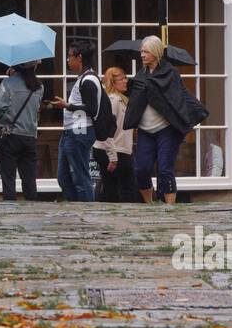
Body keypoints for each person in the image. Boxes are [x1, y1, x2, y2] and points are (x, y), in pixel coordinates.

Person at [124, 35, 209, 204]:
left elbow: (178, 97)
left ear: (155, 53)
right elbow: (136, 99)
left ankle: (170, 207)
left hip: (167, 129)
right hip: (145, 131)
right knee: (142, 169)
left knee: (165, 169)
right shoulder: (140, 76)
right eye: (141, 51)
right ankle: (149, 204)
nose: (142, 55)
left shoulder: (170, 73)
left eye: (145, 52)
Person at [51, 39, 102, 202]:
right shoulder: (83, 78)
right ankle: (75, 208)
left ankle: (87, 215)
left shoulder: (88, 80)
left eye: (69, 56)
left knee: (81, 178)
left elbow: (93, 109)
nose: (67, 60)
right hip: (71, 133)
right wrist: (69, 105)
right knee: (63, 178)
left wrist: (67, 105)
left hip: (80, 133)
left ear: (79, 58)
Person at [0, 61, 44, 200]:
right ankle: (32, 213)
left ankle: (9, 212)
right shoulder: (39, 87)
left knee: (8, 179)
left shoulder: (8, 83)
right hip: (30, 137)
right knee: (29, 180)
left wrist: (2, 118)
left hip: (10, 135)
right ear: (35, 67)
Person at [93, 67, 138, 202]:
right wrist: (112, 156)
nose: (126, 81)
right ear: (113, 82)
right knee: (119, 189)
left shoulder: (122, 99)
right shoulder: (113, 100)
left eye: (125, 78)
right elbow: (107, 129)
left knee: (116, 188)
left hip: (121, 150)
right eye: (122, 79)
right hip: (113, 150)